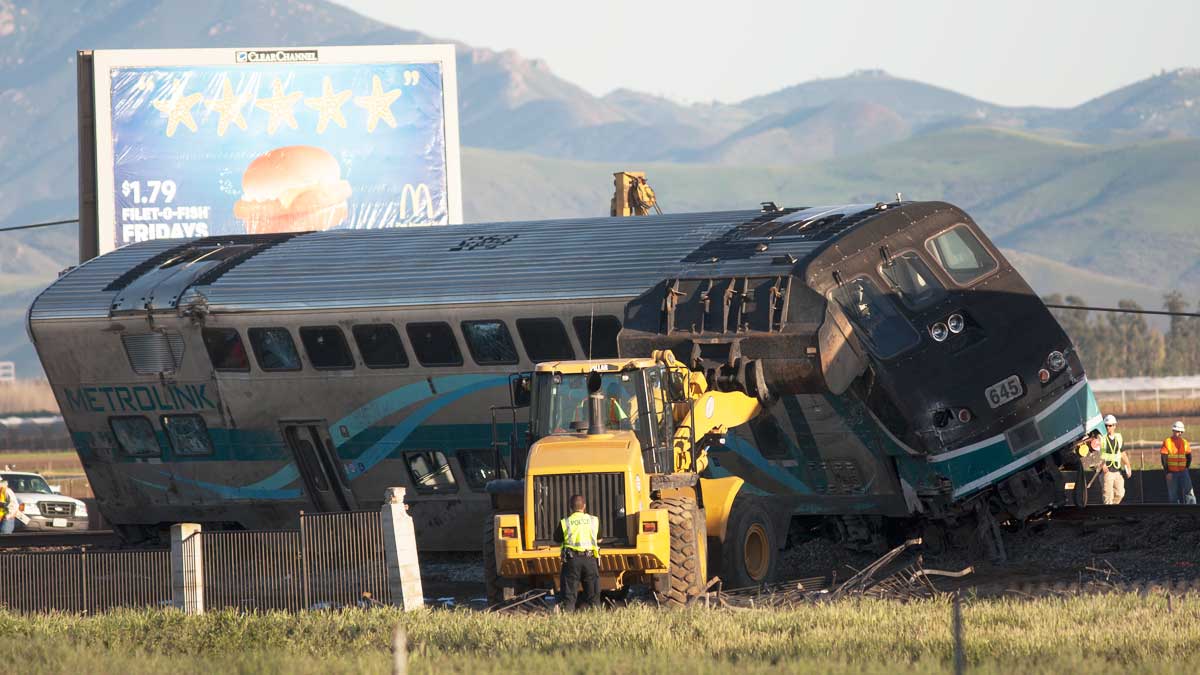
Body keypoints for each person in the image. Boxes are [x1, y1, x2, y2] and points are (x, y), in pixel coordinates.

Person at [558, 493, 600, 611]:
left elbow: (557, 538)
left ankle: (567, 622)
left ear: (570, 507)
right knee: (594, 597)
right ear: (584, 506)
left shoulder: (565, 522)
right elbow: (599, 538)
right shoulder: (593, 520)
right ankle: (598, 621)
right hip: (590, 560)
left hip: (572, 561)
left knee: (569, 596)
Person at [1161, 421, 1195, 504]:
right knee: (1173, 494)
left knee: (1189, 492)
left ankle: (1192, 510)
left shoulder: (1185, 442)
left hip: (1183, 471)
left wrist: (1186, 467)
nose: (1179, 433)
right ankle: (1175, 513)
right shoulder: (1167, 442)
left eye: (1181, 432)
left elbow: (1189, 456)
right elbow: (1163, 458)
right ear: (1173, 430)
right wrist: (1167, 472)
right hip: (1171, 472)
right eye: (1177, 431)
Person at [1100, 414, 1131, 505]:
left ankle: (1112, 510)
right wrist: (1102, 464)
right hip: (1107, 471)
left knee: (1120, 493)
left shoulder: (1119, 437)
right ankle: (1109, 515)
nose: (1107, 427)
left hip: (1117, 470)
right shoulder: (1101, 438)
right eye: (1106, 425)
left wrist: (1128, 467)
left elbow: (1122, 454)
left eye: (1110, 425)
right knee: (1108, 496)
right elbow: (1097, 454)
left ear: (1114, 426)